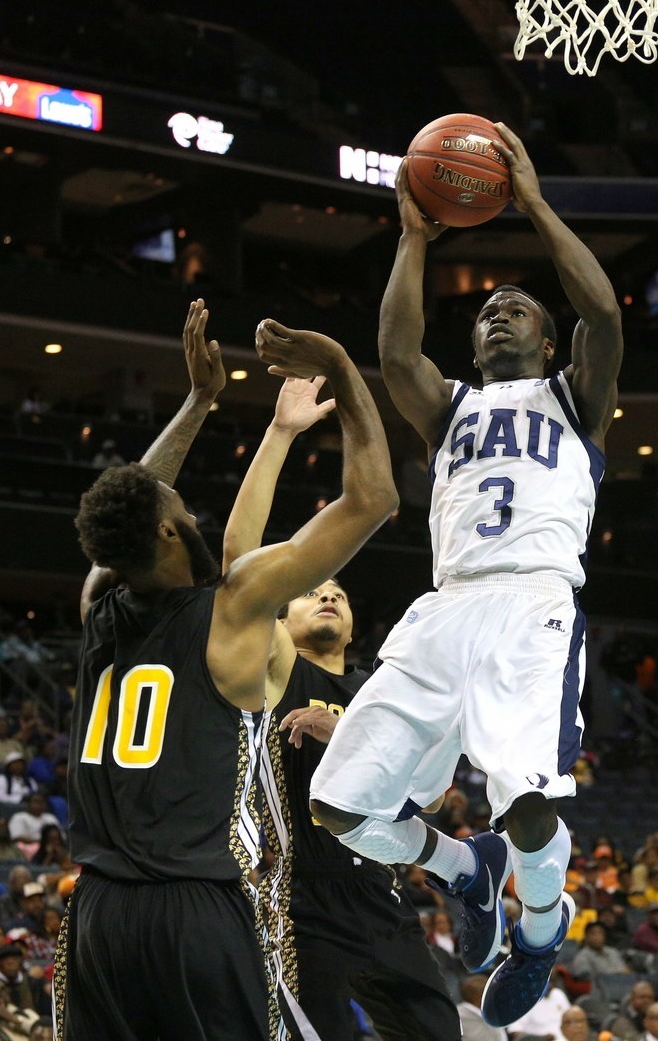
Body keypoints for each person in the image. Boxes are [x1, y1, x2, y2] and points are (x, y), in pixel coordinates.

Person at [312, 122, 622, 1031]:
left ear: (547, 336)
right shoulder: (453, 408)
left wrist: (531, 203)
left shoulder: (576, 397)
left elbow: (604, 315)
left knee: (523, 795)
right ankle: (464, 868)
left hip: (532, 602)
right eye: (487, 307)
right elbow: (396, 354)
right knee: (339, 809)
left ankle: (538, 929)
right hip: (445, 607)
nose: (497, 311)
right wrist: (413, 236)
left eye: (518, 306)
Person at [63, 300, 398, 1041]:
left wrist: (199, 400)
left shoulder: (100, 611)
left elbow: (129, 508)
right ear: (166, 528)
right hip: (190, 908)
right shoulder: (232, 608)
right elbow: (372, 498)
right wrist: (344, 365)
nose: (185, 500)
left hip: (96, 916)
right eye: (178, 502)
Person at [215, 375, 455, 1041]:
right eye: (312, 590)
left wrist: (345, 729)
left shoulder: (379, 693)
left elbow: (430, 799)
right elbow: (240, 564)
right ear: (281, 617)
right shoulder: (277, 668)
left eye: (339, 594)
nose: (327, 595)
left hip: (382, 895)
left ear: (351, 628)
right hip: (299, 899)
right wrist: (282, 431)